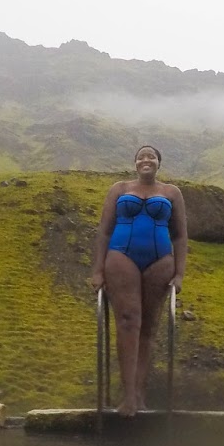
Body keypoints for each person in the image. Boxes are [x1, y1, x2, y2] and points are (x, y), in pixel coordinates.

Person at [89, 145, 187, 416]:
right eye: (141, 156)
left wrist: (179, 273)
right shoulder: (119, 189)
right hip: (121, 257)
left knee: (149, 327)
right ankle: (128, 394)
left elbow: (180, 236)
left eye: (151, 156)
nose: (146, 159)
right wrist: (97, 270)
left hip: (160, 260)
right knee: (128, 321)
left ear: (158, 163)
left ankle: (140, 392)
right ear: (135, 163)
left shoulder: (172, 193)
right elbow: (105, 231)